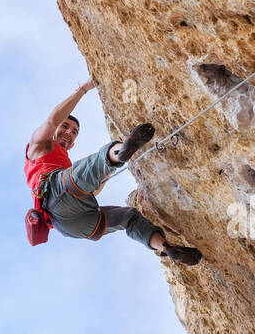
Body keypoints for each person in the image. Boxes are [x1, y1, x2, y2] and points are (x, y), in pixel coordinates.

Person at [24, 79, 202, 265]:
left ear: (74, 143)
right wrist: (83, 89)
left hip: (73, 226)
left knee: (129, 217)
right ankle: (120, 149)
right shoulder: (38, 146)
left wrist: (104, 176)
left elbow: (90, 191)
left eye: (74, 132)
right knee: (96, 162)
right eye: (65, 126)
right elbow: (52, 120)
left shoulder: (65, 165)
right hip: (55, 194)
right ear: (55, 130)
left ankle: (166, 248)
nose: (69, 132)